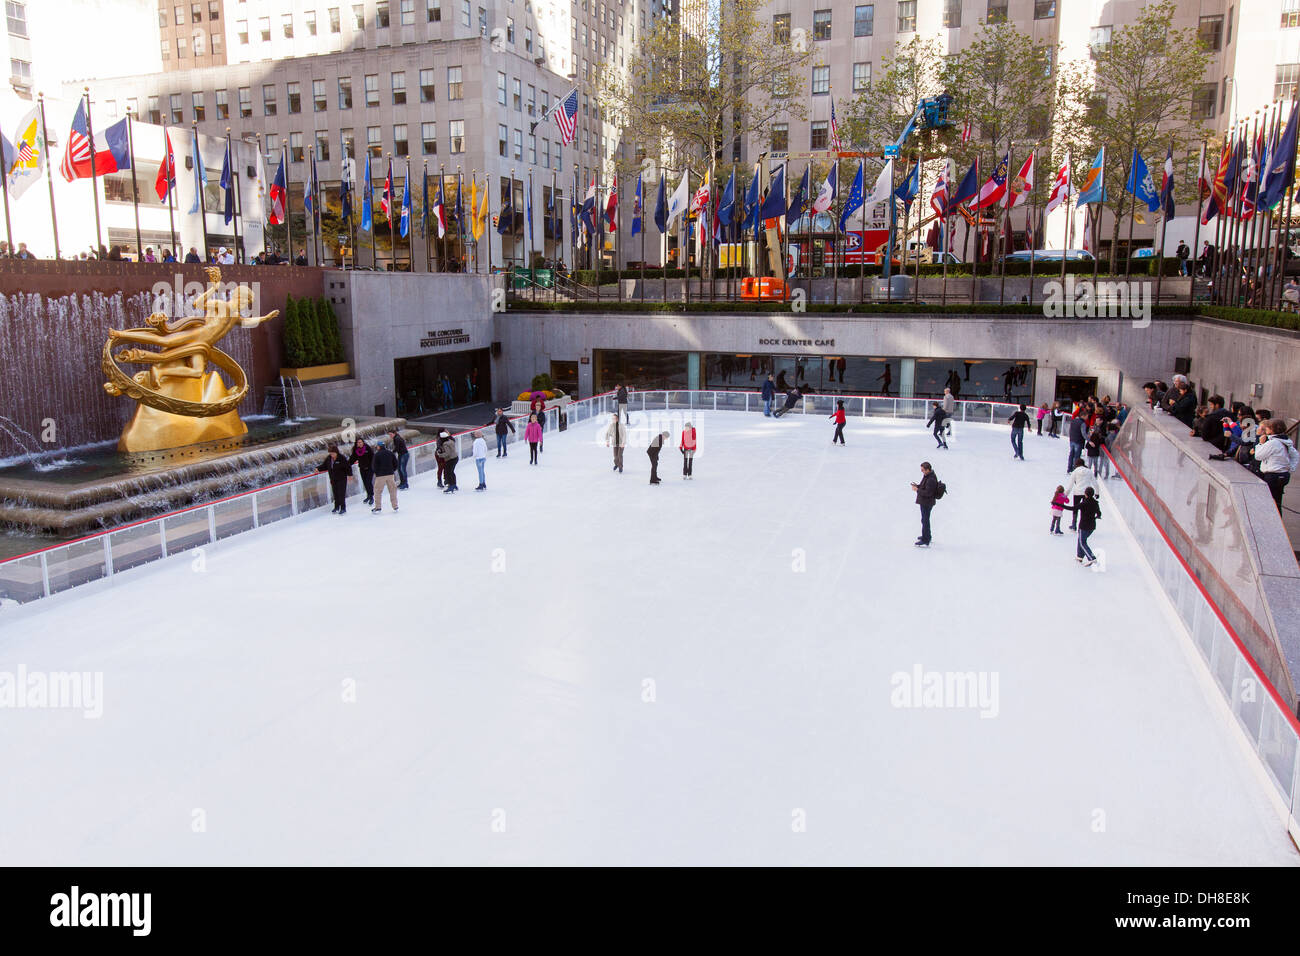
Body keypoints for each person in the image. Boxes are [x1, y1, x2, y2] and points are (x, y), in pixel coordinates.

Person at [1253, 418, 1299, 514]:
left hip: (1272, 475)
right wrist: (1289, 468)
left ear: (1272, 429)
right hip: (1283, 475)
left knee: (1269, 502)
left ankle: (1271, 522)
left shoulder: (1273, 443)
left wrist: (1260, 443)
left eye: (1267, 428)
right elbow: (1295, 455)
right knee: (1277, 501)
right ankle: (1278, 522)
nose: (1266, 430)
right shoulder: (1286, 441)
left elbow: (1258, 456)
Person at [1064, 487, 1102, 567]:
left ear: (1085, 494)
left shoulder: (1084, 503)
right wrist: (1098, 516)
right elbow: (1099, 513)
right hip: (1092, 526)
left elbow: (1073, 508)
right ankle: (1079, 557)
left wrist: (1060, 505)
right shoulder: (1095, 503)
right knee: (1081, 540)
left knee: (1082, 542)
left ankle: (1091, 557)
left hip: (1084, 526)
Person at [316, 442, 352, 514]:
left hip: (341, 479)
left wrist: (350, 475)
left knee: (341, 493)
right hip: (333, 479)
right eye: (330, 453)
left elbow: (348, 467)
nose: (331, 455)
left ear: (336, 452)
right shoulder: (329, 459)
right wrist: (318, 468)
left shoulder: (341, 458)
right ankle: (336, 507)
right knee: (335, 494)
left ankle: (343, 508)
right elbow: (324, 466)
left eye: (333, 453)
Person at [911, 462, 939, 547]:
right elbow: (925, 487)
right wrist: (918, 486)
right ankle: (927, 536)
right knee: (924, 520)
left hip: (927, 503)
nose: (922, 471)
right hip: (925, 502)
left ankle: (925, 539)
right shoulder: (927, 476)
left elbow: (928, 493)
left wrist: (917, 490)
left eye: (923, 470)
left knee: (925, 520)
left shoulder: (931, 479)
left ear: (928, 469)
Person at [1065, 460, 1095, 532]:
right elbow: (1094, 482)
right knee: (1084, 510)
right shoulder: (1089, 471)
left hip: (1077, 492)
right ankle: (1081, 526)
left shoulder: (1075, 472)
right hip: (1086, 493)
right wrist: (1097, 492)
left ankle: (1074, 525)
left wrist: (1065, 495)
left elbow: (1070, 484)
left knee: (1075, 509)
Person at [371, 440, 399, 512]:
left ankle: (378, 507)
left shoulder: (377, 455)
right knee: (392, 490)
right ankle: (395, 506)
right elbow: (396, 463)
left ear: (379, 447)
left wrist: (377, 473)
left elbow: (374, 466)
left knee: (377, 491)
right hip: (390, 474)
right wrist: (392, 470)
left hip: (380, 476)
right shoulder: (390, 453)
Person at [348, 437, 375, 505]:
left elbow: (373, 457)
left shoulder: (367, 448)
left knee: (368, 482)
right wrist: (346, 465)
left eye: (360, 442)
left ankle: (371, 496)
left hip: (370, 468)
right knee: (365, 482)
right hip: (362, 468)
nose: (359, 443)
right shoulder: (356, 451)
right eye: (358, 442)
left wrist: (374, 466)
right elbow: (352, 459)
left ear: (363, 442)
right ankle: (368, 495)